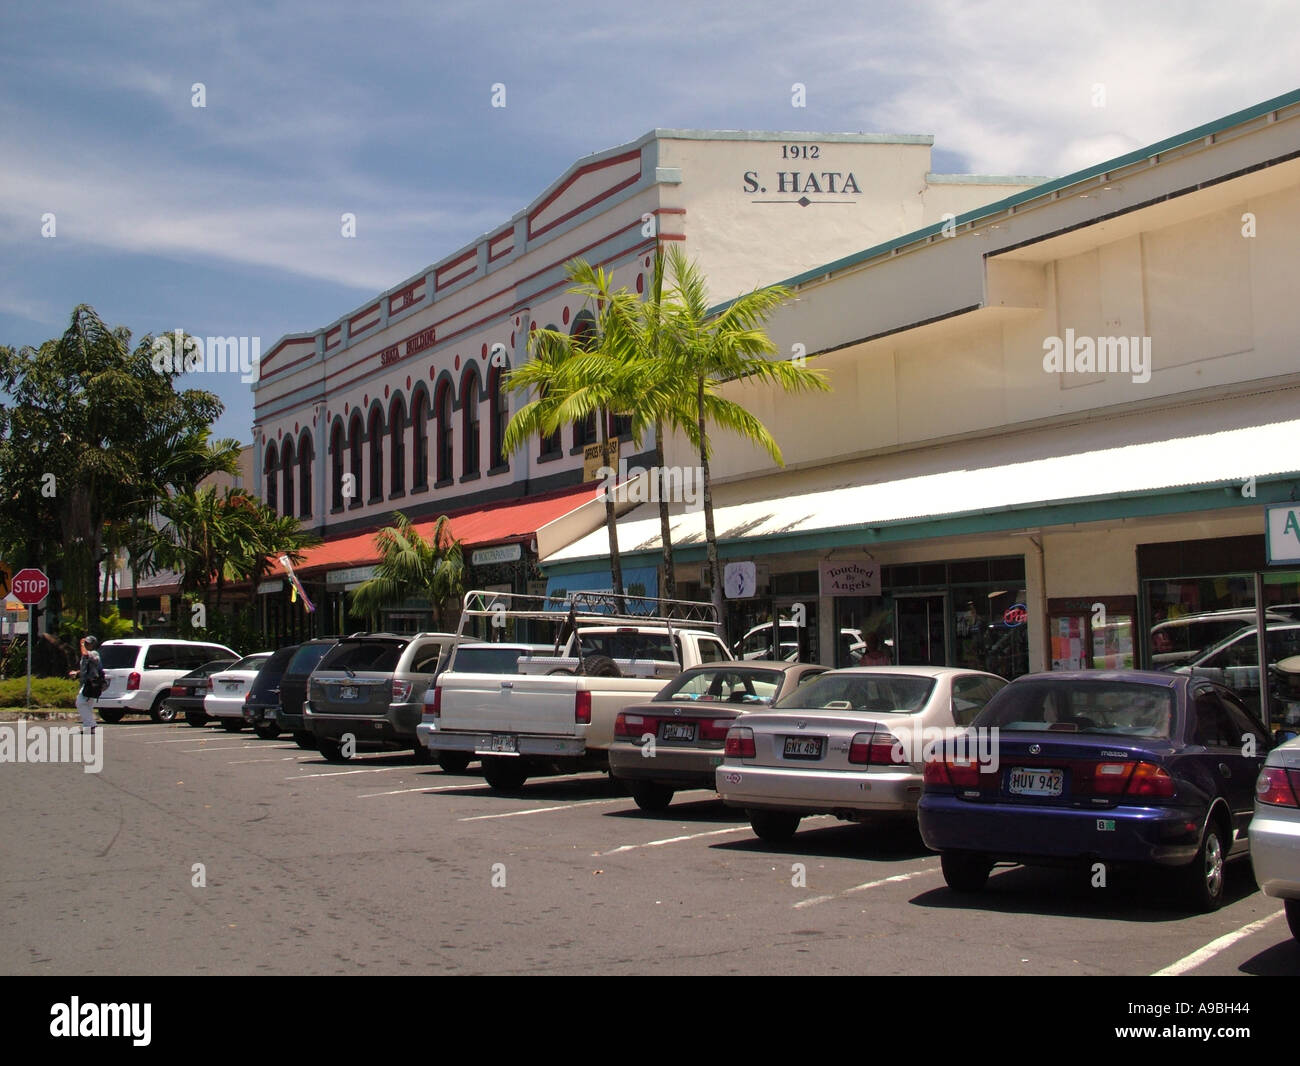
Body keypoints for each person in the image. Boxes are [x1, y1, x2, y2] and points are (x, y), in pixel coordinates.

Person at [68, 635, 104, 734]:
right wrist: (77, 673)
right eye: (86, 643)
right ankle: (89, 727)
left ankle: (91, 725)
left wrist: (81, 644)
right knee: (87, 705)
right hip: (86, 682)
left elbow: (85, 654)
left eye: (88, 643)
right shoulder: (87, 655)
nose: (86, 645)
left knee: (80, 702)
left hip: (92, 683)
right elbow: (86, 667)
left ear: (93, 644)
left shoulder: (94, 653)